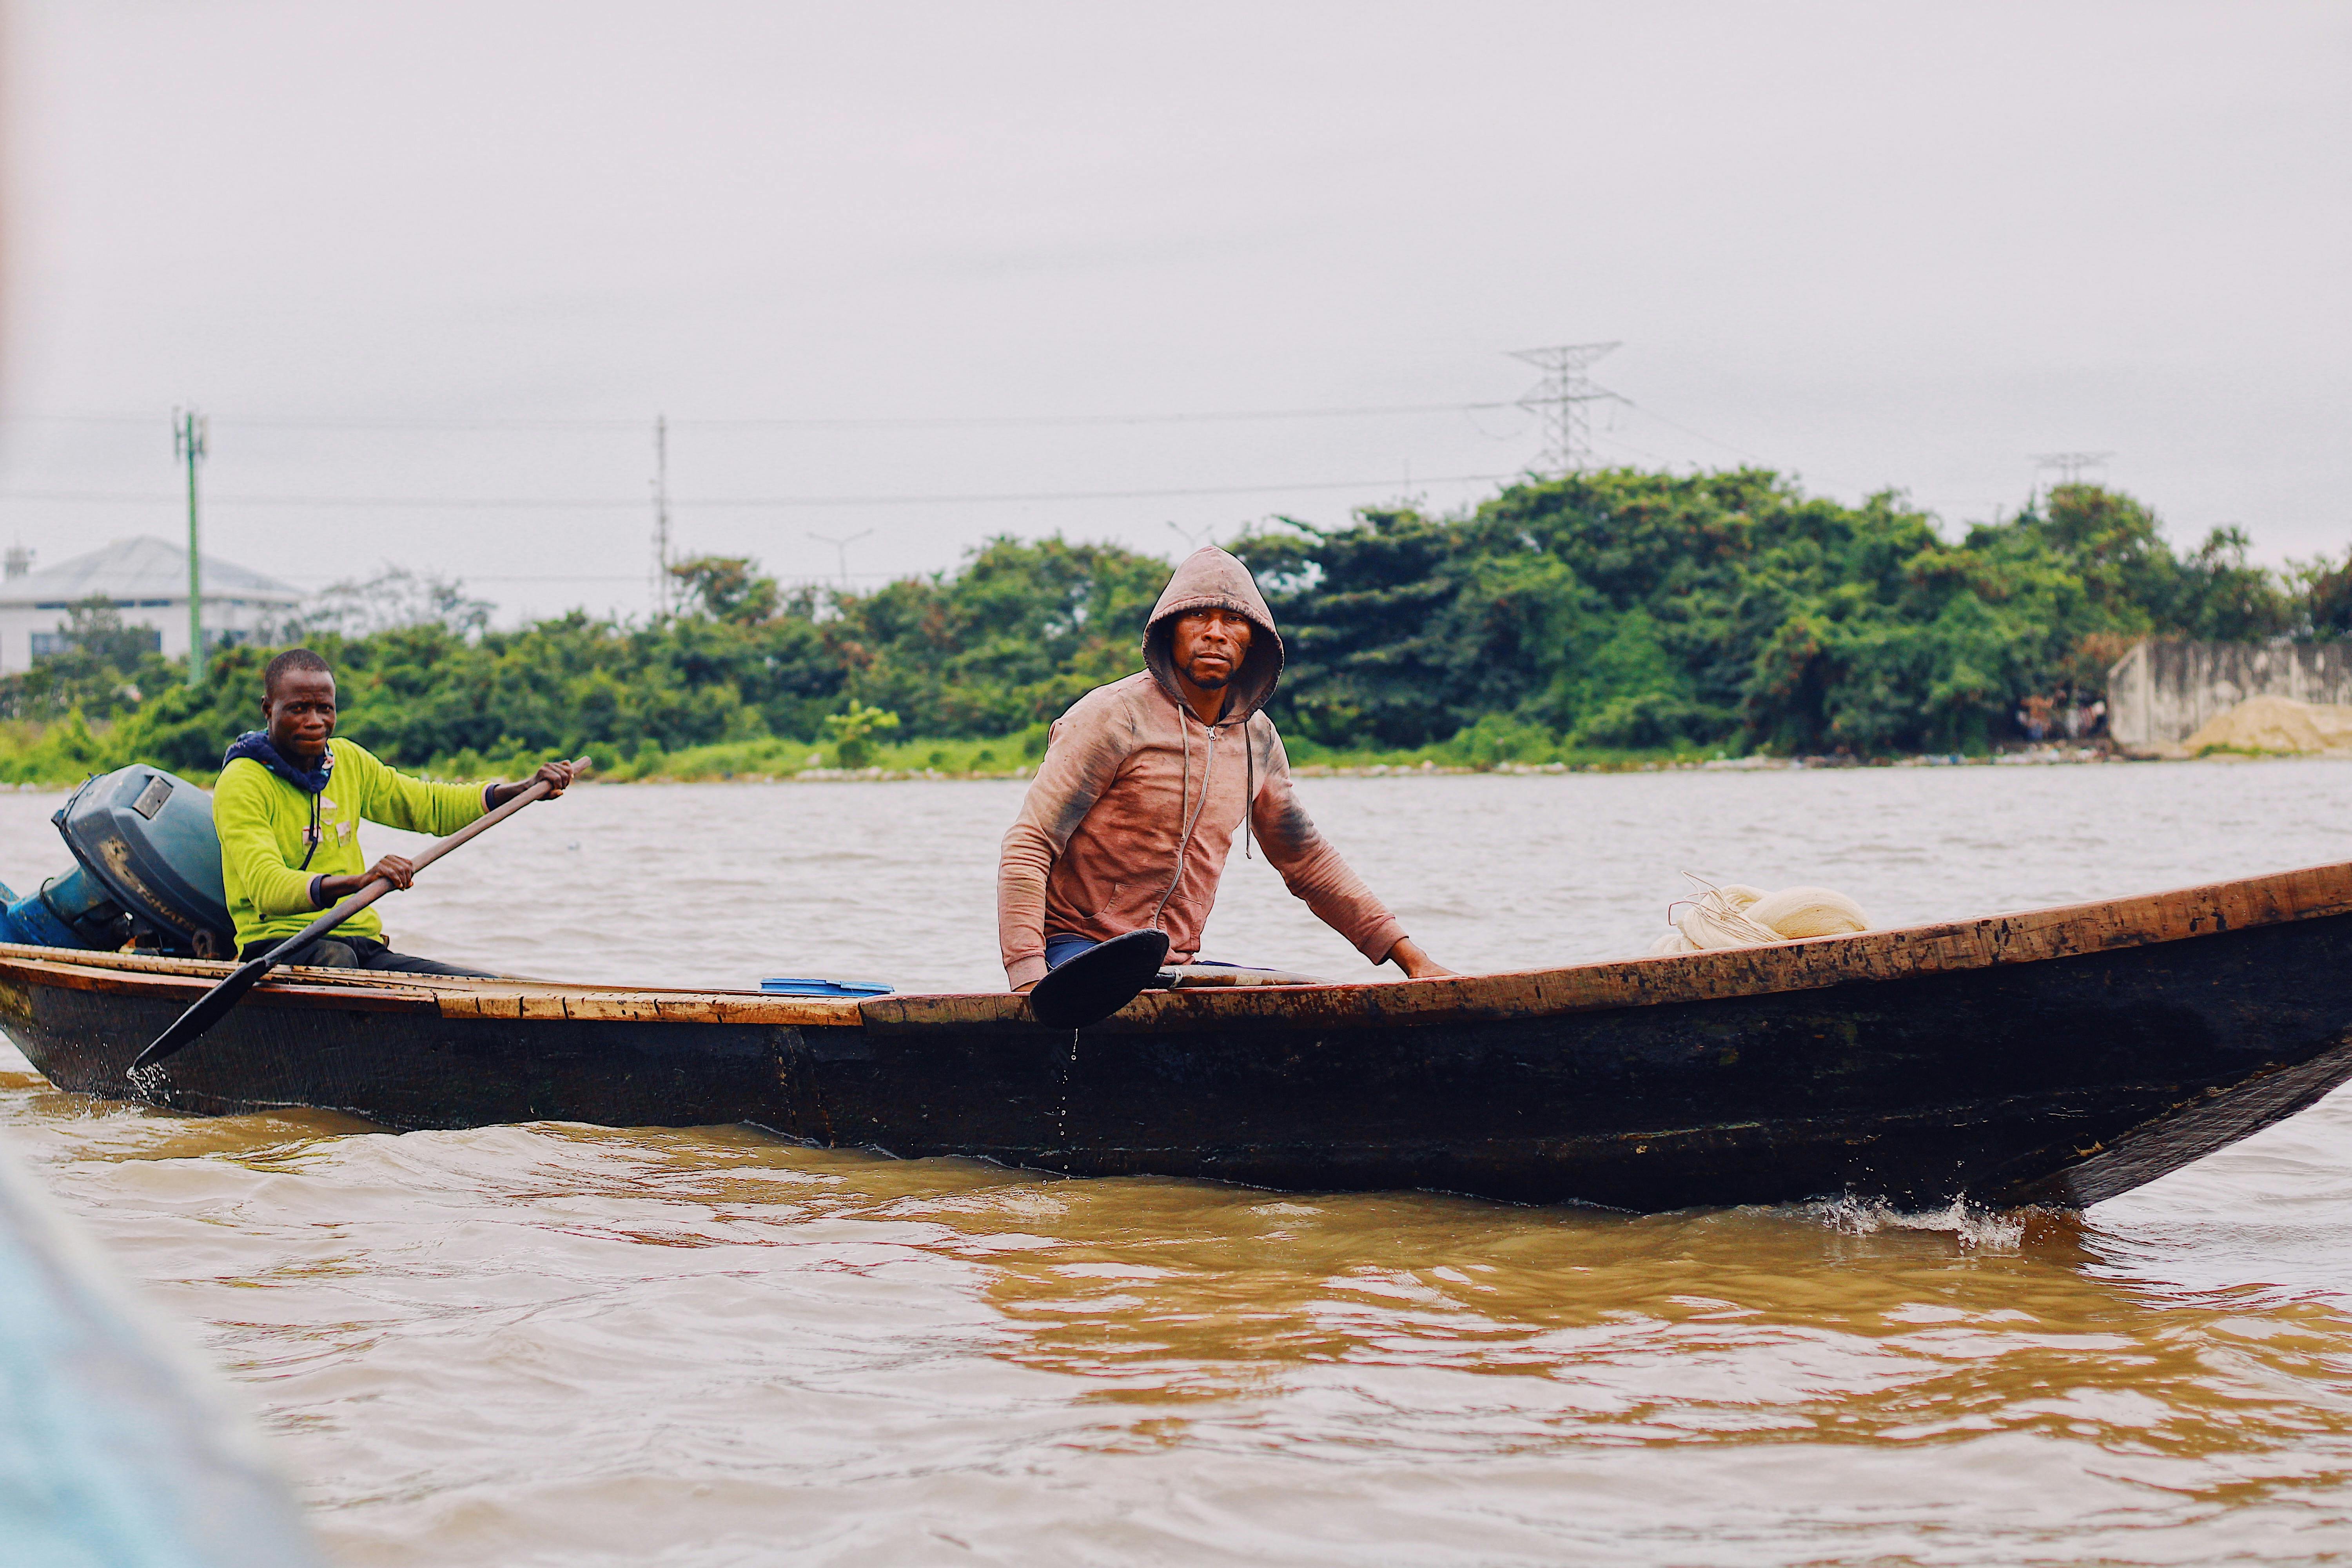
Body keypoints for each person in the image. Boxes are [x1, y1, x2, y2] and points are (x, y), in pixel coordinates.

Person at [998, 546, 1451, 993]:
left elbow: (1307, 860)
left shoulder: (1257, 738)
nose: (1215, 633)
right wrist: (1028, 977)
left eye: (1233, 620)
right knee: (1115, 981)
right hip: (1076, 954)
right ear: (1169, 631)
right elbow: (1030, 844)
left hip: (1173, 964)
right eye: (1198, 617)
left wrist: (1414, 961)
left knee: (1291, 1000)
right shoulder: (1112, 717)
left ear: (1254, 639)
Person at [213, 648, 577, 974]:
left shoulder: (348, 761)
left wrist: (518, 790)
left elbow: (428, 806)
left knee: (476, 982)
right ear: (268, 709)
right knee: (337, 961)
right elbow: (267, 887)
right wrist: (359, 882)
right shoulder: (242, 781)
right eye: (298, 709)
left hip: (359, 942)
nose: (315, 722)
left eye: (325, 708)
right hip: (280, 947)